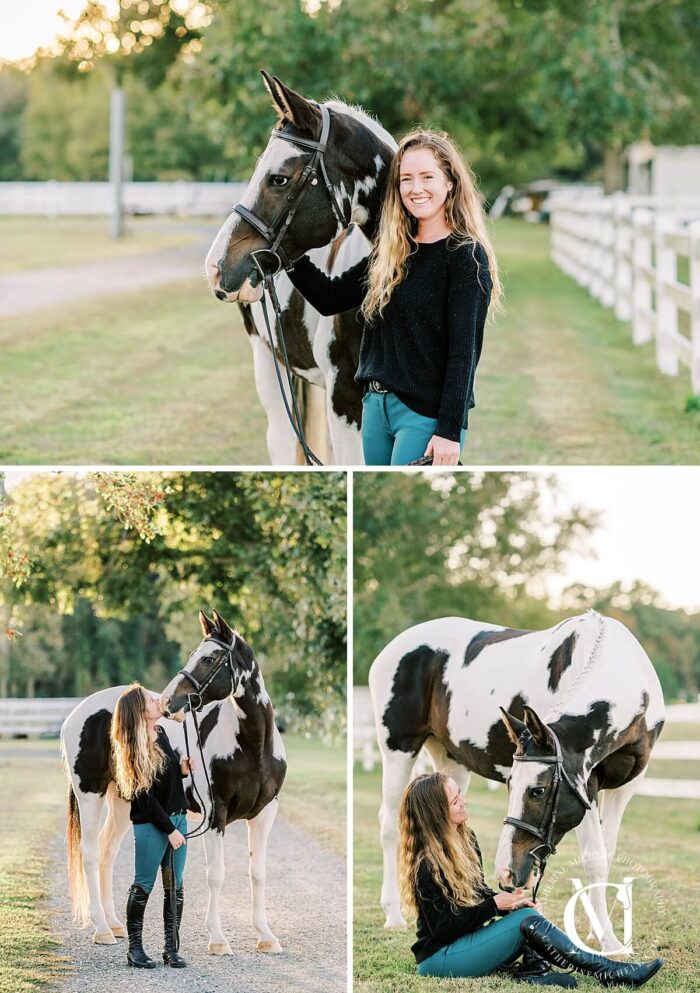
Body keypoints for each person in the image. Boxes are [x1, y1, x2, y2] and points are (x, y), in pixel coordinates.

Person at [287, 129, 501, 466]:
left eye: (427, 177)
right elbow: (329, 297)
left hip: (424, 415)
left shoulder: (465, 257)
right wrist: (286, 255)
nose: (416, 189)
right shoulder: (390, 253)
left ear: (450, 183)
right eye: (406, 179)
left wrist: (449, 431)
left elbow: (464, 354)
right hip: (374, 409)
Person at [398, 772, 663, 988]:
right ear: (436, 813)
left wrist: (511, 904)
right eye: (455, 800)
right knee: (526, 921)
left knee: (525, 914)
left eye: (460, 794)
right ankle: (609, 972)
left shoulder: (466, 840)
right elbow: (444, 929)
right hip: (439, 958)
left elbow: (476, 895)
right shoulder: (426, 865)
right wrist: (495, 906)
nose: (464, 800)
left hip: (467, 942)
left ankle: (535, 970)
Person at [111, 683, 194, 969]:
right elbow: (143, 796)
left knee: (175, 887)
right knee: (144, 885)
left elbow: (165, 782)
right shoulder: (133, 745)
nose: (158, 700)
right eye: (150, 699)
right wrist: (169, 831)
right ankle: (135, 949)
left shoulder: (161, 733)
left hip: (178, 819)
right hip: (152, 826)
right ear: (139, 710)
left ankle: (171, 950)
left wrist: (181, 771)